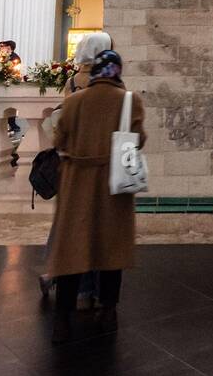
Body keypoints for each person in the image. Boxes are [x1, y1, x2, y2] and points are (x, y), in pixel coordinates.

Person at [44, 50, 145, 344]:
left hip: (78, 181)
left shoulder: (74, 101)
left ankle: (62, 319)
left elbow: (59, 139)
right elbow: (138, 139)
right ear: (117, 72)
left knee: (72, 251)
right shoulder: (129, 100)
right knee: (111, 250)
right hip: (114, 182)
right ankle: (108, 311)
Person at [39, 32, 115, 303]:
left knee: (68, 222)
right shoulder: (108, 85)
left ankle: (53, 271)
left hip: (71, 164)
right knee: (93, 228)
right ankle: (86, 287)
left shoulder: (73, 81)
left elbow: (63, 129)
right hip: (98, 166)